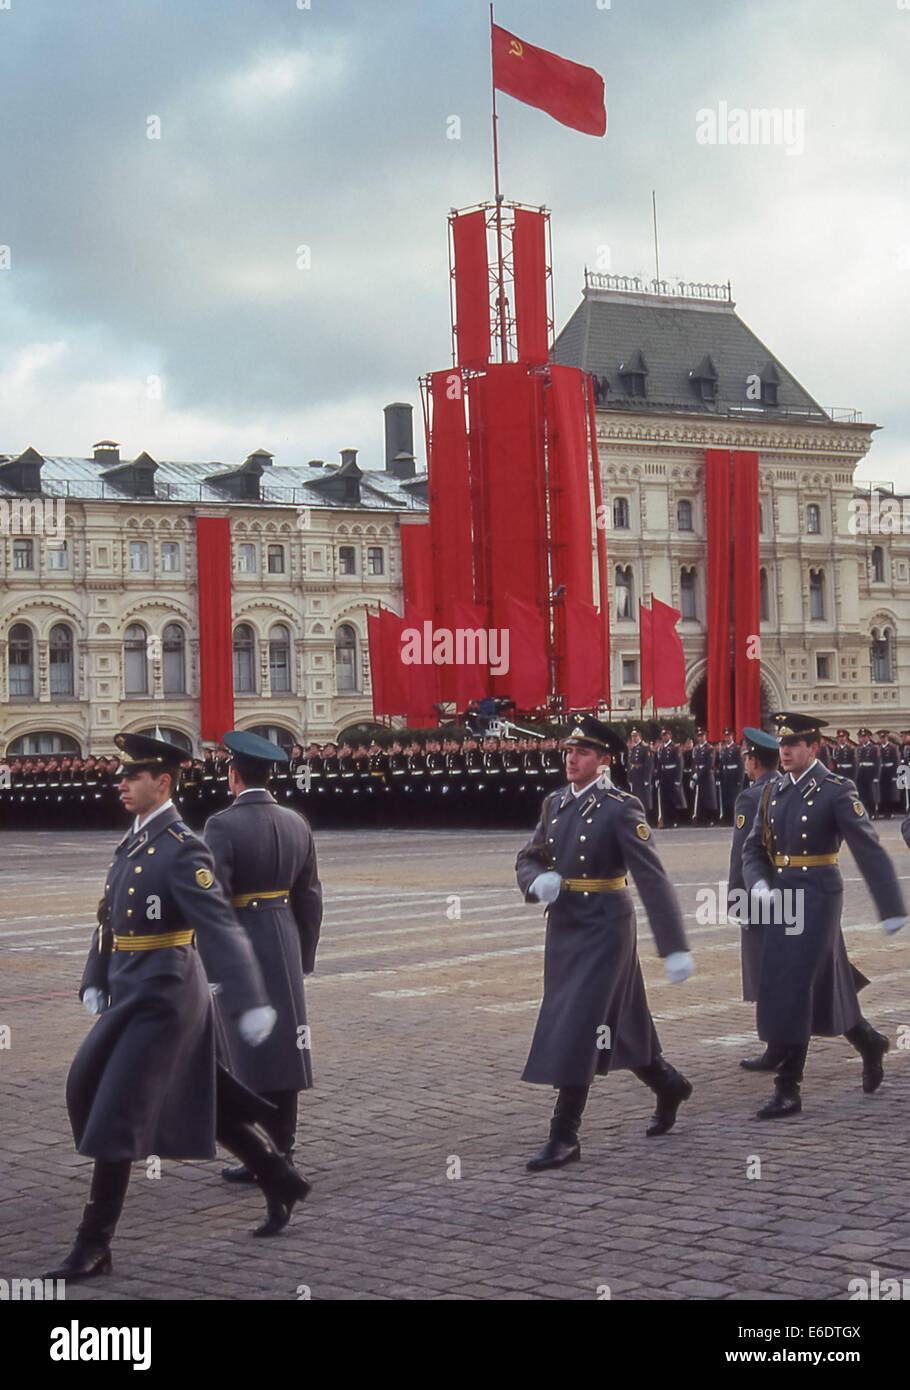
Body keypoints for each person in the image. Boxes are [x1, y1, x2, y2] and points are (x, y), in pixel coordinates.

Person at [45, 733, 310, 1283]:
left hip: (166, 993)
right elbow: (109, 918)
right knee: (201, 1096)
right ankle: (278, 1175)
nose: (120, 783)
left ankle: (94, 1245)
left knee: (115, 1106)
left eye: (132, 775)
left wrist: (249, 997)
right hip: (132, 988)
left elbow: (217, 925)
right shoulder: (135, 842)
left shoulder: (183, 844)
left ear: (162, 782)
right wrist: (95, 976)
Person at [516, 715, 694, 1172]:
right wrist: (538, 882)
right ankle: (667, 1082)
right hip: (566, 927)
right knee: (617, 1022)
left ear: (603, 761)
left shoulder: (621, 806)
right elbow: (529, 857)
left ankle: (564, 1135)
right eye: (569, 752)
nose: (572, 759)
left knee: (579, 1023)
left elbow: (651, 878)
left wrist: (673, 944)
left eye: (583, 753)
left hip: (606, 927)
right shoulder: (554, 803)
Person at [741, 713, 905, 1119]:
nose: (786, 752)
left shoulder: (835, 790)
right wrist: (757, 883)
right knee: (822, 979)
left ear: (814, 747)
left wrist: (889, 905)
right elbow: (753, 848)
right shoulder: (773, 791)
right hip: (781, 895)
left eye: (794, 745)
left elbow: (866, 847)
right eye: (782, 745)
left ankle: (788, 1088)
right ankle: (868, 1040)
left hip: (818, 892)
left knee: (794, 982)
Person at [203, 730, 322, 1182]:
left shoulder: (221, 824)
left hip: (241, 941)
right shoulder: (296, 822)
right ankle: (281, 1150)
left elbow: (213, 896)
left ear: (233, 775)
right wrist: (303, 952)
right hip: (284, 936)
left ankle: (262, 1153)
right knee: (287, 1048)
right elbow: (310, 895)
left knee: (244, 1049)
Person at [655, 727, 686, 829]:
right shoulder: (661, 748)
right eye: (663, 735)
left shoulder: (675, 747)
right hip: (664, 775)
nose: (665, 737)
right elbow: (659, 764)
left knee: (674, 799)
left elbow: (679, 764)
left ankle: (674, 821)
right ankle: (666, 820)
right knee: (665, 800)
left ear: (670, 736)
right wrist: (657, 778)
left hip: (673, 775)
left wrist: (678, 779)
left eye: (666, 735)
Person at [691, 727, 719, 826]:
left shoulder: (710, 748)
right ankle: (701, 819)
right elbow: (694, 763)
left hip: (707, 775)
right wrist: (693, 775)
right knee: (700, 798)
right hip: (698, 775)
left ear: (705, 736)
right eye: (699, 736)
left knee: (709, 799)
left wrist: (698, 774)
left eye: (702, 736)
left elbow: (709, 764)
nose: (700, 738)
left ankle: (710, 820)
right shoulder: (696, 748)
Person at [717, 728, 745, 825]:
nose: (727, 738)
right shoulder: (724, 750)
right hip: (725, 777)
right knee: (726, 799)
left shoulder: (737, 749)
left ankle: (734, 819)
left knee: (734, 799)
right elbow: (721, 765)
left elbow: (741, 765)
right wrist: (719, 777)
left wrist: (740, 779)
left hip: (734, 777)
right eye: (725, 736)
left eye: (728, 736)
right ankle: (727, 819)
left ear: (732, 737)